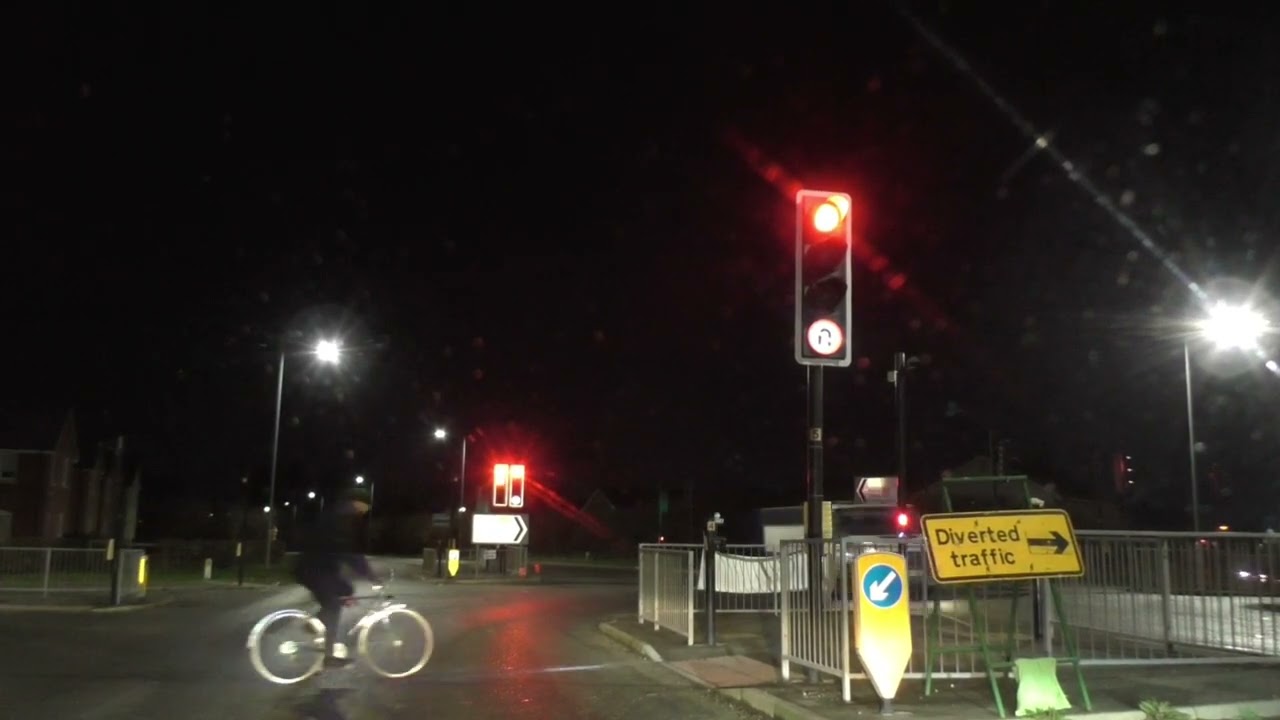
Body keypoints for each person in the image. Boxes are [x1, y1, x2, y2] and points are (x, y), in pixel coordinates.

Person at [294, 487, 378, 668]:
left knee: (343, 592)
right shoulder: (343, 519)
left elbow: (348, 551)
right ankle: (326, 652)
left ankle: (317, 628)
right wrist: (371, 576)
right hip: (313, 569)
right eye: (366, 506)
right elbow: (349, 552)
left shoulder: (341, 514)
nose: (367, 510)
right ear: (358, 502)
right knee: (333, 604)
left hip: (318, 567)